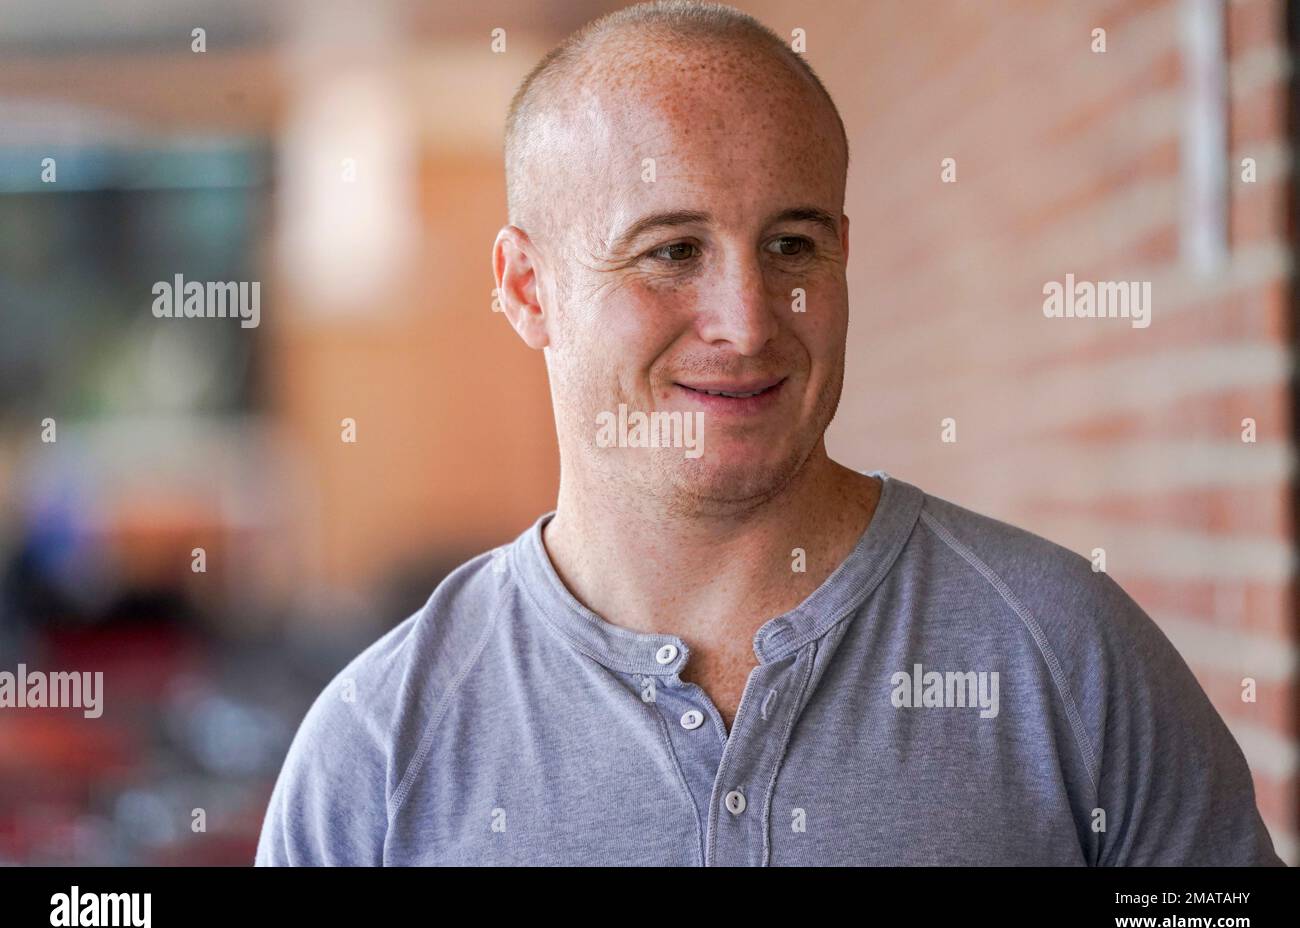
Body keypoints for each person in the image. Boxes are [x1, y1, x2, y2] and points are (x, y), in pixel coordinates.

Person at [255, 0, 1284, 866]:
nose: (747, 320)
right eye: (669, 251)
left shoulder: (1064, 655)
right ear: (528, 288)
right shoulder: (378, 751)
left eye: (792, 243)